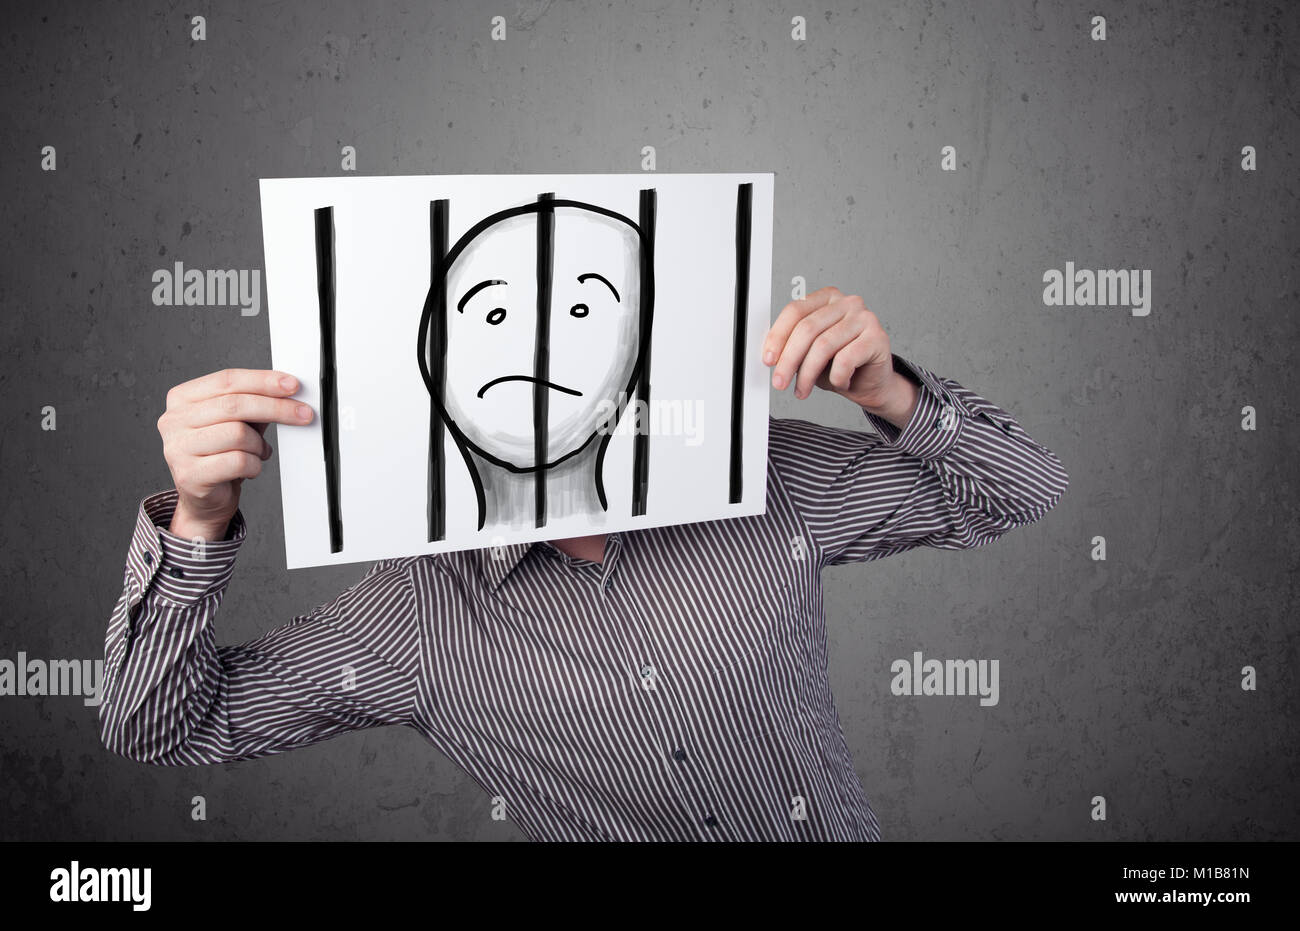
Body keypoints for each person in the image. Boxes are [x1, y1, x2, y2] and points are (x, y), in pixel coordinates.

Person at [101, 286, 1069, 841]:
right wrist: (199, 517)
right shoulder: (415, 613)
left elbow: (1019, 486)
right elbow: (160, 724)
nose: (539, 362)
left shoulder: (764, 473)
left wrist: (890, 388)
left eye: (574, 317)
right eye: (490, 329)